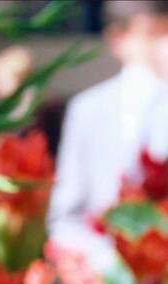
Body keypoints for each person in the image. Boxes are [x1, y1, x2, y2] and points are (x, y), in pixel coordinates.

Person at [49, 0, 168, 268]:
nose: (163, 45)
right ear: (117, 39)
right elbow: (65, 216)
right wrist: (108, 261)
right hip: (104, 270)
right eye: (152, 34)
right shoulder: (88, 109)